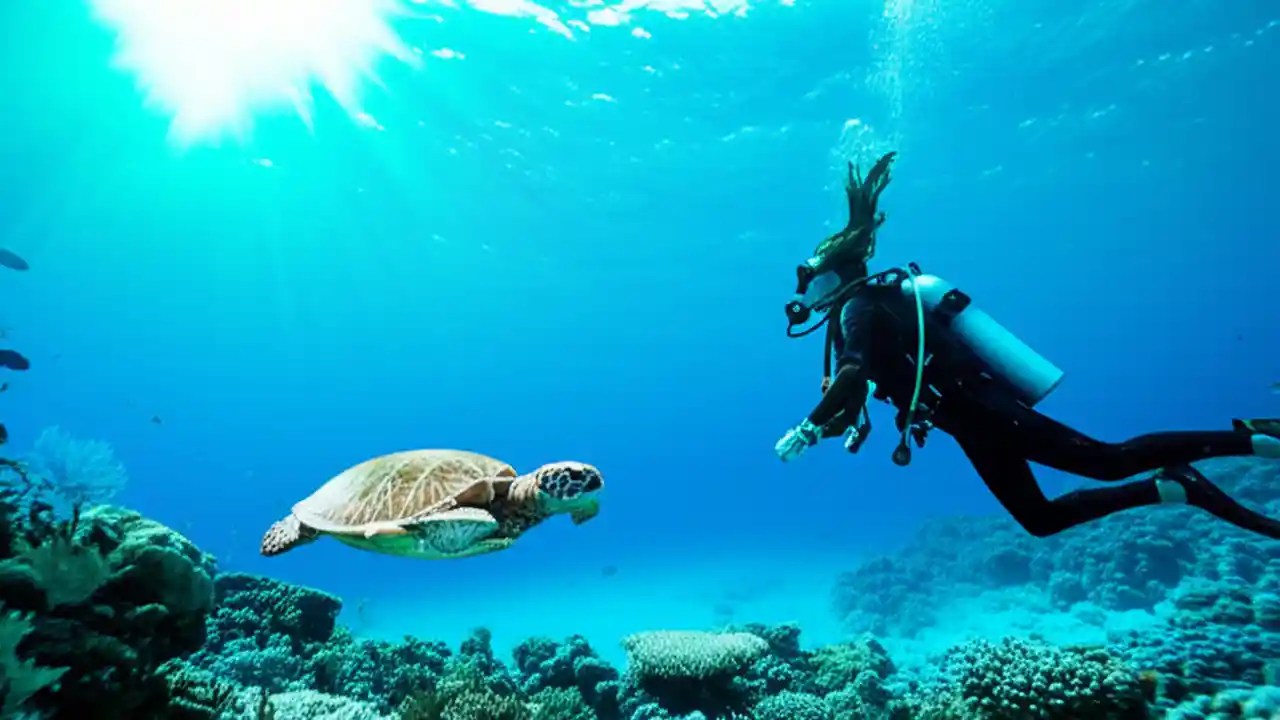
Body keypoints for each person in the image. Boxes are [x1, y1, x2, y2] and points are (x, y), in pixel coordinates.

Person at [774, 150, 1280, 539]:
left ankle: (1255, 439)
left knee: (1107, 460)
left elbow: (853, 374)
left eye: (811, 281)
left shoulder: (857, 306)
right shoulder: (864, 310)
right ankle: (1172, 488)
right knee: (1040, 519)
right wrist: (820, 430)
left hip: (980, 408)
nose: (808, 296)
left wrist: (805, 426)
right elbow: (852, 395)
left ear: (835, 278)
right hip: (965, 421)